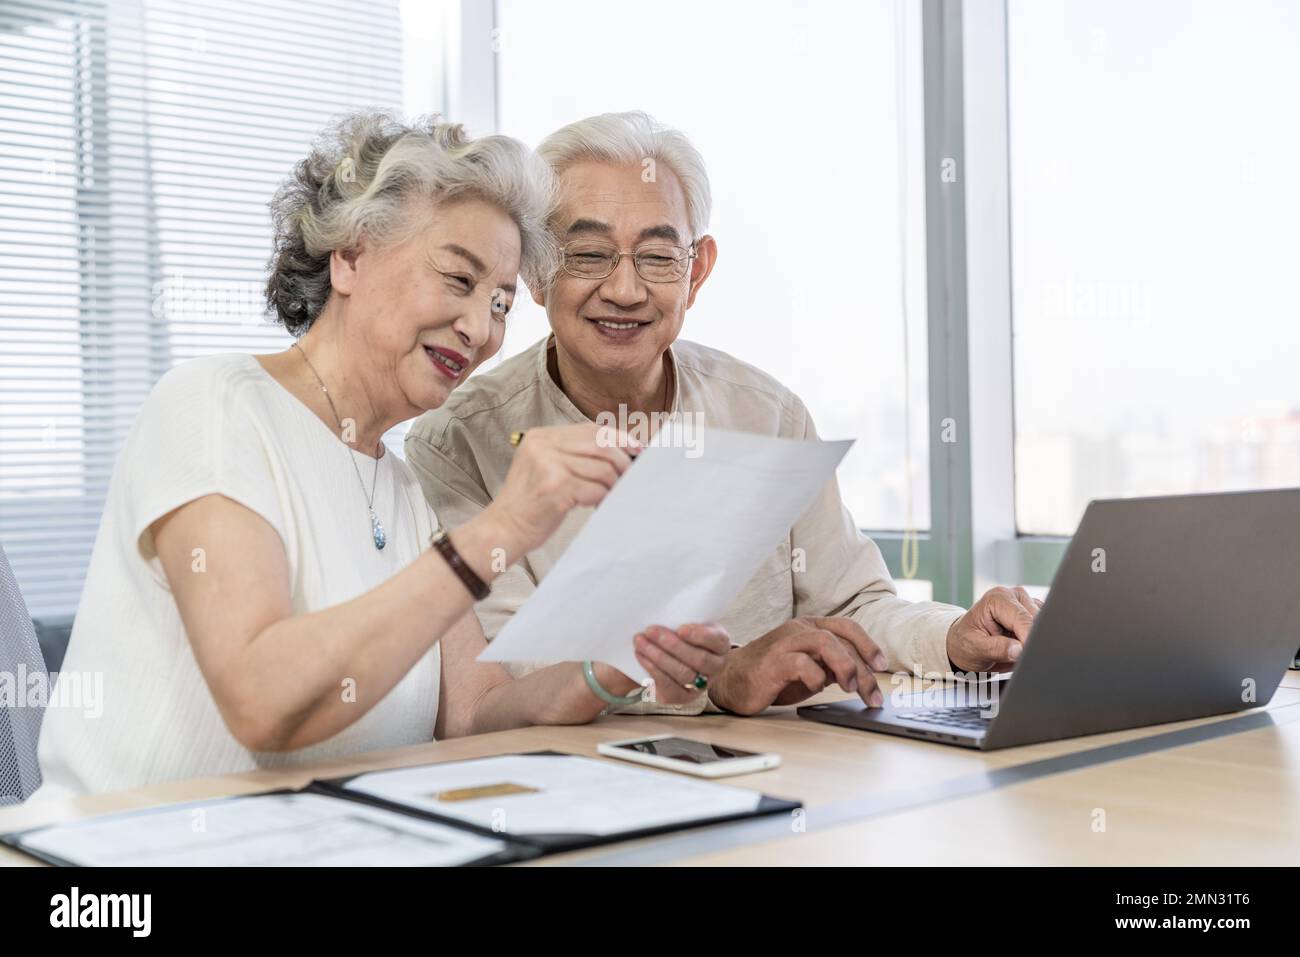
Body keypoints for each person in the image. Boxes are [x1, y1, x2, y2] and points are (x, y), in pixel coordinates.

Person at [33, 111, 728, 799]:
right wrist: (498, 530)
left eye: (500, 302)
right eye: (459, 280)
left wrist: (615, 660)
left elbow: (474, 714)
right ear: (351, 255)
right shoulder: (216, 406)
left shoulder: (400, 487)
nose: (479, 328)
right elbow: (262, 699)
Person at [406, 111, 1042, 718]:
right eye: (589, 255)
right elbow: (511, 670)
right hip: (582, 781)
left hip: (787, 770)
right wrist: (720, 677)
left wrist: (955, 637)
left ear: (698, 271)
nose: (624, 290)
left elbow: (855, 603)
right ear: (538, 271)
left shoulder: (767, 416)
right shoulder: (457, 443)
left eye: (657, 258)